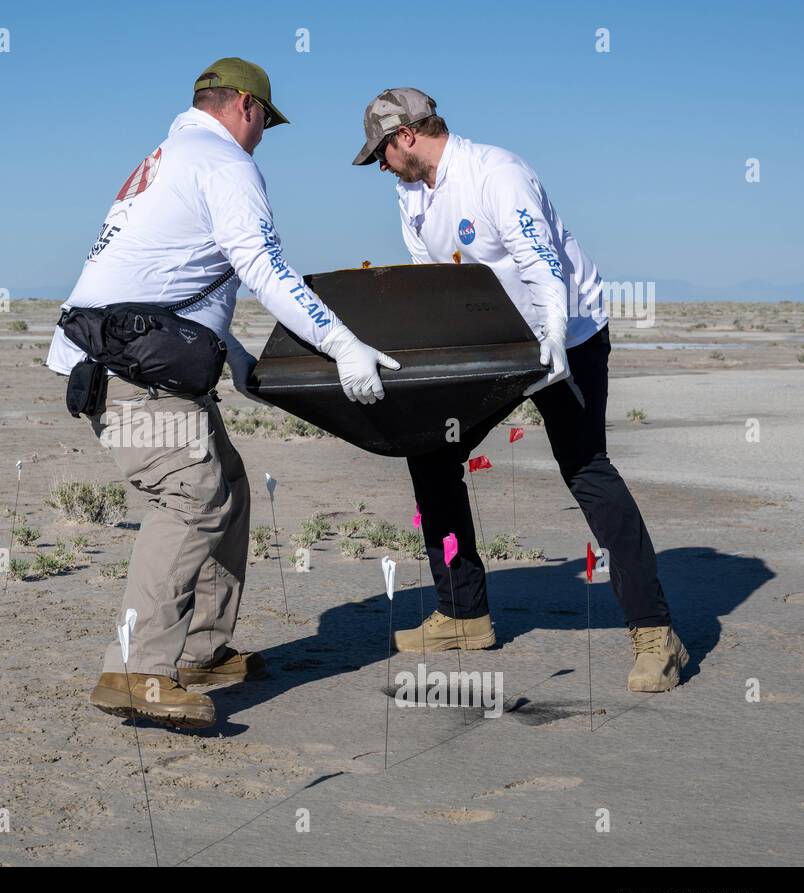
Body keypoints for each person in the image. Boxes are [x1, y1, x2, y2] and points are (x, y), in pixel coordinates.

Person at [47, 58, 399, 727]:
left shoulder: (169, 158)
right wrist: (344, 344)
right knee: (191, 496)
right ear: (245, 105)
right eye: (265, 119)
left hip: (131, 363)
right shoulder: (223, 162)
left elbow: (171, 277)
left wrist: (235, 354)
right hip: (134, 375)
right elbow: (262, 266)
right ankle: (135, 669)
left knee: (227, 486)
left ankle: (202, 649)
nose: (264, 134)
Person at [352, 87, 687, 692]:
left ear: (406, 136)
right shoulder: (411, 194)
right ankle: (463, 612)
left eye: (381, 151)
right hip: (495, 344)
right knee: (431, 453)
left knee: (585, 468)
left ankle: (655, 632)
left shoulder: (496, 174)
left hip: (568, 334)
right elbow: (435, 283)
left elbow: (542, 262)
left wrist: (554, 339)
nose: (380, 165)